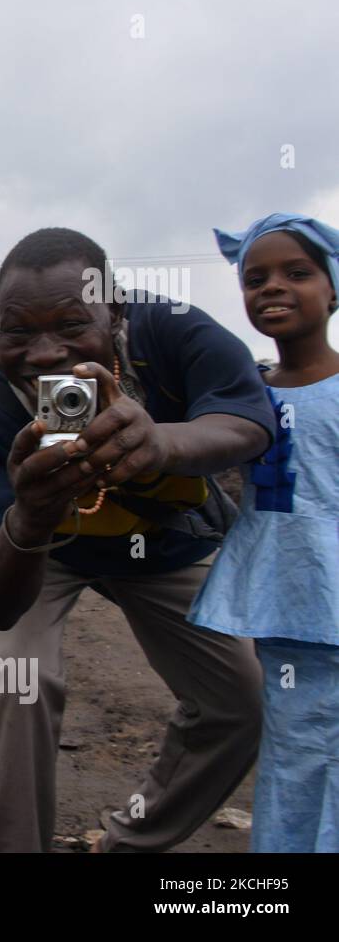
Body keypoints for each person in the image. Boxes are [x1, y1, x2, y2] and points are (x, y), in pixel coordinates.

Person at [0, 226, 274, 853]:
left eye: (72, 326)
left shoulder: (170, 330)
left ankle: (130, 843)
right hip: (46, 555)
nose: (44, 354)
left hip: (162, 543)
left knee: (240, 702)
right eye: (18, 332)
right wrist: (30, 519)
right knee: (15, 679)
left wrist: (159, 443)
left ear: (115, 312)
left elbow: (248, 418)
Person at [187, 213, 339, 853]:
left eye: (297, 273)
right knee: (296, 753)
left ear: (333, 290)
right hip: (282, 607)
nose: (272, 288)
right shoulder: (246, 396)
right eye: (255, 279)